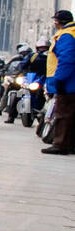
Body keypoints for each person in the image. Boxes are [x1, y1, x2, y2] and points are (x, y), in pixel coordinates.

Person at [42, 9, 75, 155]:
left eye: (55, 20)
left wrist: (59, 79)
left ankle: (60, 144)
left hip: (69, 82)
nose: (54, 23)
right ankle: (70, 144)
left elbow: (67, 59)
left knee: (62, 113)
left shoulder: (66, 35)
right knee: (71, 114)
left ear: (60, 21)